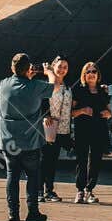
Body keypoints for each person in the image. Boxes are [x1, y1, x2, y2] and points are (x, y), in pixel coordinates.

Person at [0, 53, 51, 221]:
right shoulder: (36, 86)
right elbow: (55, 86)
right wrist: (48, 71)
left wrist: (27, 76)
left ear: (12, 68)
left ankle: (13, 213)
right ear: (29, 69)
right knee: (33, 177)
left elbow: (19, 89)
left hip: (8, 140)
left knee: (12, 176)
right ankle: (33, 212)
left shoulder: (3, 84)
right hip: (30, 141)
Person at [70, 61, 112, 203]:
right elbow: (71, 112)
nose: (91, 74)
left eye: (94, 71)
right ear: (84, 75)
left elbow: (109, 111)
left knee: (96, 160)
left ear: (98, 74)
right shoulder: (78, 90)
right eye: (88, 72)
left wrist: (109, 114)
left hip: (99, 129)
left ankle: (90, 190)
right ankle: (80, 190)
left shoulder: (102, 91)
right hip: (82, 129)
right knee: (81, 159)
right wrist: (82, 111)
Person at [39, 55, 72, 203]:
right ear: (53, 66)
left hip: (62, 128)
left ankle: (49, 190)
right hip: (49, 126)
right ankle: (39, 190)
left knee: (52, 161)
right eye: (59, 66)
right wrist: (45, 115)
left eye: (65, 67)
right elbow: (41, 100)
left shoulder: (68, 86)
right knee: (44, 160)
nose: (62, 69)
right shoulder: (46, 83)